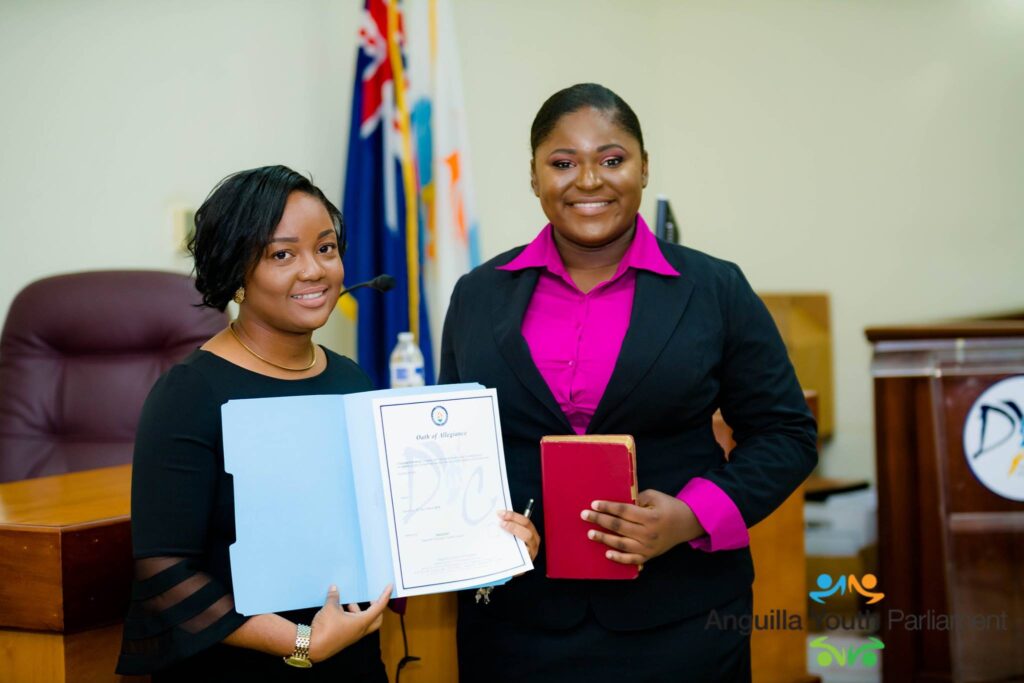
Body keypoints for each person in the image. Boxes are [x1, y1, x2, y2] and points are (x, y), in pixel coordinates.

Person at [439, 84, 818, 682]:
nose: (588, 180)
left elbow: (786, 434)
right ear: (535, 177)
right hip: (515, 620)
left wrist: (691, 516)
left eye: (612, 159)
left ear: (644, 168)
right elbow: (455, 452)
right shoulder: (478, 294)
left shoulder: (714, 289)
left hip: (682, 616)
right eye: (562, 163)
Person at [116, 166, 391, 681]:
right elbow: (165, 572)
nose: (314, 270)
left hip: (350, 655)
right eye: (281, 254)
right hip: (238, 664)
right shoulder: (188, 393)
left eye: (326, 248)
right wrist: (304, 642)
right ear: (236, 272)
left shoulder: (351, 379)